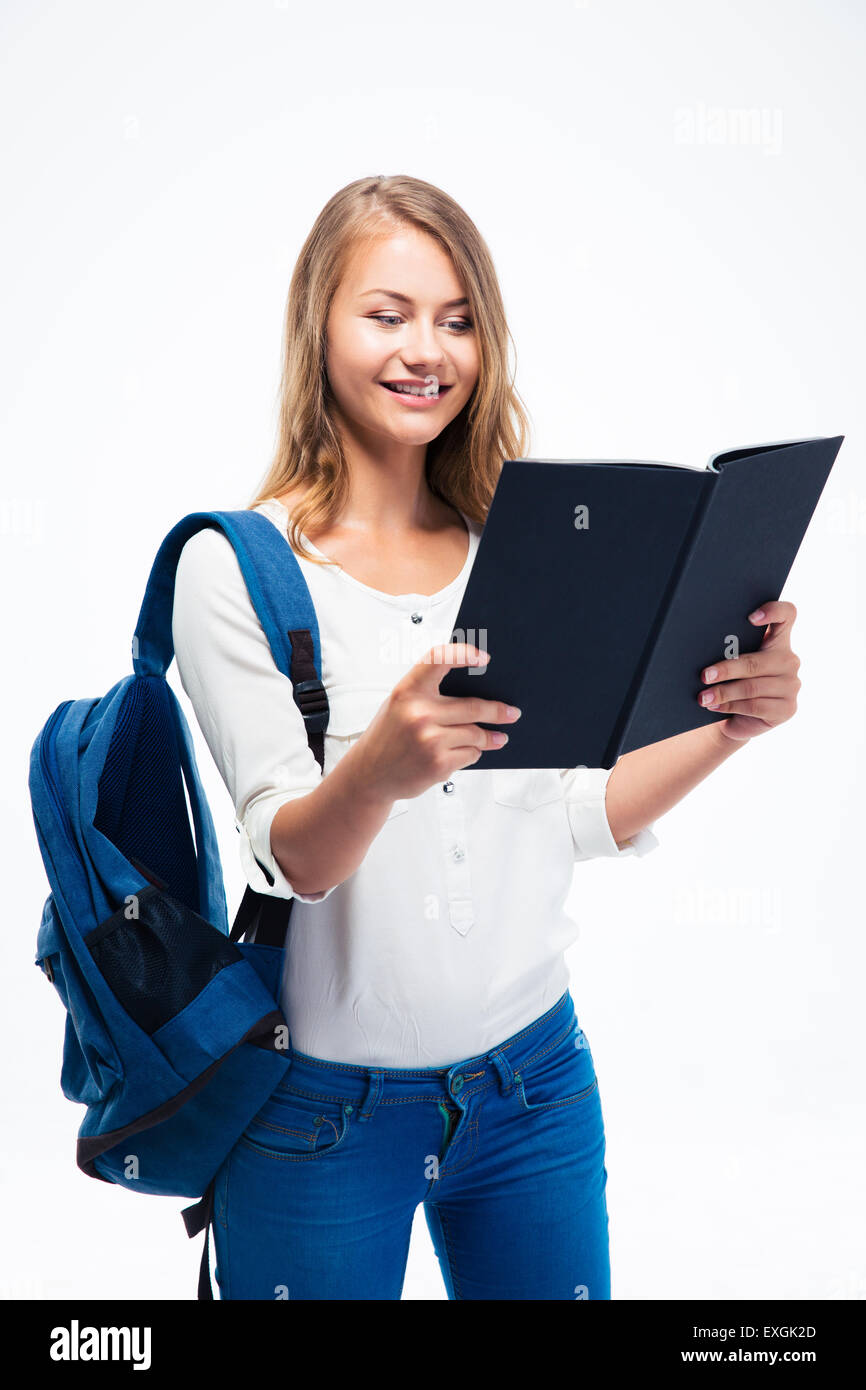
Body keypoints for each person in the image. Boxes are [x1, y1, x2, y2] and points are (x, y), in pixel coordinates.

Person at [171, 174, 802, 1300]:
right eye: (387, 313)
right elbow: (293, 856)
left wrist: (725, 725)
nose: (427, 350)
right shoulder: (236, 569)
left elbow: (566, 810)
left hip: (532, 1088)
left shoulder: (510, 543)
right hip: (320, 1112)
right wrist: (382, 766)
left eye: (458, 320)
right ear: (317, 323)